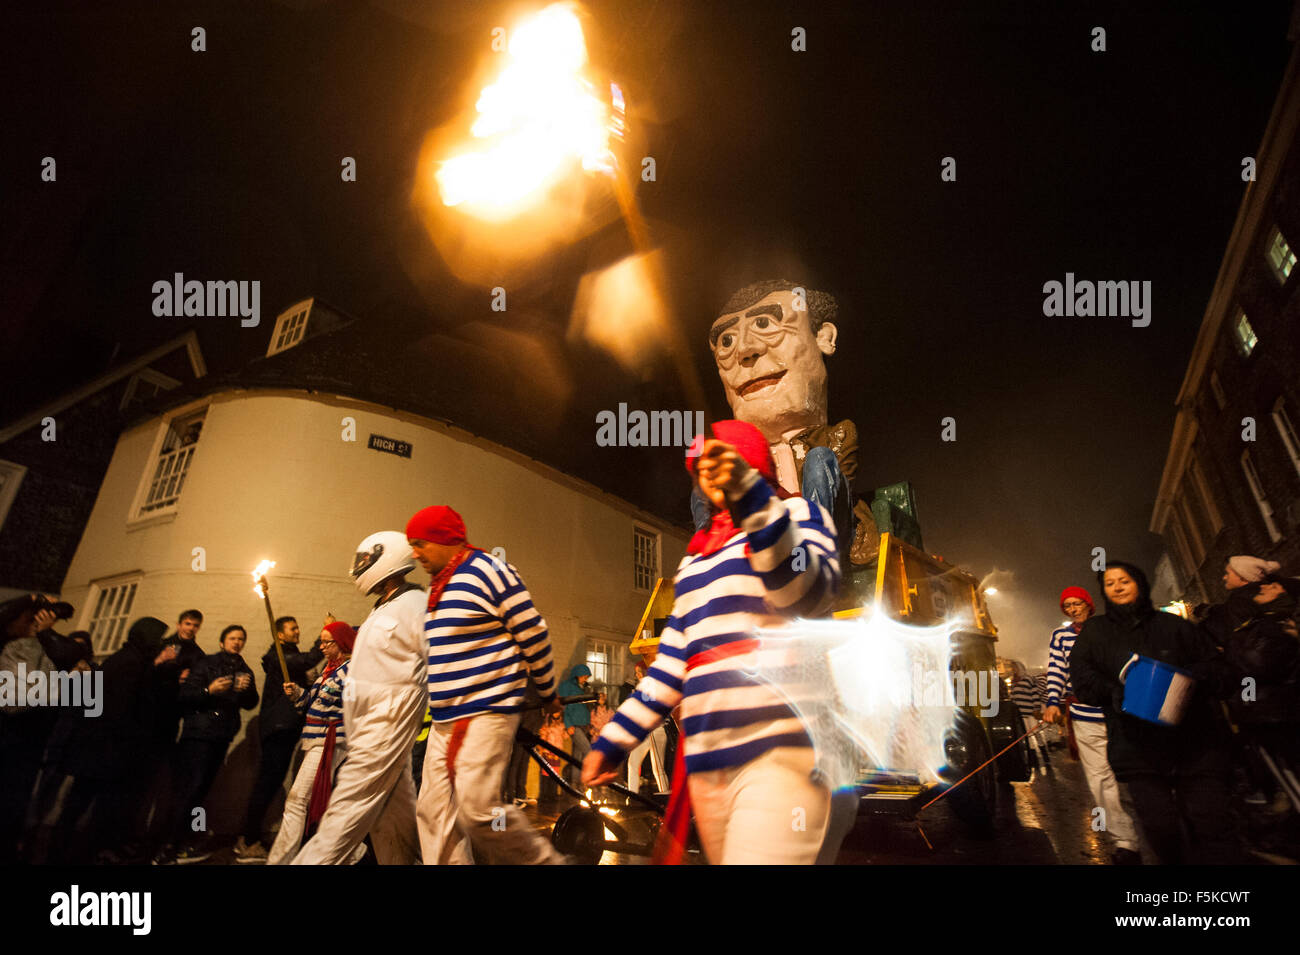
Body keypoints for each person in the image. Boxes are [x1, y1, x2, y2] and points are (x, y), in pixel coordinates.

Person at [583, 420, 842, 864]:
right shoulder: (694, 563)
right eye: (701, 467)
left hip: (780, 753)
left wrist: (754, 500)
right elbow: (669, 669)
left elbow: (803, 592)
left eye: (722, 463)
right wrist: (613, 740)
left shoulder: (797, 517)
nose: (710, 475)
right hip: (708, 768)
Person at [408, 504, 567, 865]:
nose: (414, 553)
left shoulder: (490, 570)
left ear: (444, 540)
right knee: (432, 813)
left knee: (479, 812)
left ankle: (543, 862)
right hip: (445, 719)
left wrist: (547, 692)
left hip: (486, 711)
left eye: (420, 544)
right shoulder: (439, 588)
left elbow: (533, 633)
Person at [1071, 561, 1238, 865]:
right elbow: (1083, 681)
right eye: (1110, 583)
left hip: (1194, 743)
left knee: (1212, 823)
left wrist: (1186, 680)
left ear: (1139, 583)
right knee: (1161, 827)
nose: (1118, 587)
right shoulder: (1096, 632)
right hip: (1137, 747)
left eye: (1124, 580)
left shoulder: (1174, 626)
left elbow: (1220, 671)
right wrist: (1119, 691)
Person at [292, 531, 427, 865]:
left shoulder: (414, 605)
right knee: (392, 829)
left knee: (337, 827)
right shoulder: (385, 608)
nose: (359, 569)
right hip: (372, 734)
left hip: (385, 732)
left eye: (365, 561)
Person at [700, 281, 857, 567]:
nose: (744, 350)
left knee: (820, 459)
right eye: (726, 342)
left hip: (825, 543)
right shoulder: (738, 461)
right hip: (761, 544)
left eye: (765, 323)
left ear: (824, 337)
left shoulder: (836, 438)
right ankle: (714, 558)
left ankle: (814, 550)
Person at [48, 617, 171, 864]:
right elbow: (123, 710)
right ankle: (70, 854)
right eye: (156, 638)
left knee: (81, 804)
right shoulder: (131, 663)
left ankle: (64, 851)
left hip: (101, 749)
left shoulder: (128, 659)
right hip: (107, 750)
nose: (159, 643)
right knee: (91, 806)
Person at [1043, 585, 1140, 863]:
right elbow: (1056, 670)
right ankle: (1125, 840)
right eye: (1067, 606)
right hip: (1085, 715)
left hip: (1121, 712)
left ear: (1088, 604)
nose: (1073, 609)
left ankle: (1161, 824)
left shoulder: (1108, 627)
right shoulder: (1060, 636)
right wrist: (1052, 701)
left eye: (1077, 604)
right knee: (1099, 778)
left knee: (1135, 771)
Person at [155, 624, 258, 864]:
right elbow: (185, 696)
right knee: (187, 790)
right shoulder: (207, 663)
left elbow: (251, 703)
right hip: (198, 736)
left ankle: (188, 838)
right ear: (222, 642)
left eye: (241, 639)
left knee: (201, 792)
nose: (237, 642)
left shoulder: (244, 670)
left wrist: (245, 692)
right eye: (232, 638)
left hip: (220, 737)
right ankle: (169, 846)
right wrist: (208, 690)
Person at [1204, 559, 1300, 813]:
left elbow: (1252, 662)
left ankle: (1273, 793)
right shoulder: (1272, 615)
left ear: (1244, 578)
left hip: (1269, 704)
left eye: (1228, 573)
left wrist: (1228, 650)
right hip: (1274, 701)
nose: (1224, 577)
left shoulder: (1253, 612)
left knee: (1285, 762)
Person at [234, 614, 324, 863]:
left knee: (270, 783)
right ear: (280, 634)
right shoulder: (279, 655)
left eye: (297, 627)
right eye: (292, 628)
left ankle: (249, 838)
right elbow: (308, 658)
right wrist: (324, 636)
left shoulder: (287, 657)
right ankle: (248, 841)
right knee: (266, 783)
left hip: (285, 727)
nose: (297, 631)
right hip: (278, 727)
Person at [269, 621, 357, 865]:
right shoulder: (329, 669)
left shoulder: (353, 671)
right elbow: (312, 704)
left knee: (297, 800)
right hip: (315, 741)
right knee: (325, 802)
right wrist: (298, 694)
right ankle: (352, 852)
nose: (321, 647)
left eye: (326, 642)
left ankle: (279, 860)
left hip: (329, 742)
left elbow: (354, 707)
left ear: (340, 644)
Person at [0, 595, 64, 863]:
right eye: (29, 619)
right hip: (11, 746)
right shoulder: (17, 648)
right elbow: (12, 702)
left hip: (26, 748)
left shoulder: (39, 647)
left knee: (14, 810)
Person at [1008, 660, 1049, 775]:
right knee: (1028, 736)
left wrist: (1036, 708)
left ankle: (1046, 758)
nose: (1013, 670)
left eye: (1014, 667)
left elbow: (1035, 694)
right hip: (1021, 713)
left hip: (1031, 712)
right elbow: (1012, 697)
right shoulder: (1013, 681)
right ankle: (1033, 761)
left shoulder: (1028, 679)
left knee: (1036, 734)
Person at [559, 664, 593, 786]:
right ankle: (586, 781)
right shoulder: (567, 687)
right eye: (584, 677)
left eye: (586, 677)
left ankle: (575, 783)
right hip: (574, 725)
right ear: (577, 676)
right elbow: (564, 706)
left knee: (577, 756)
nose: (585, 679)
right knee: (588, 750)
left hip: (583, 724)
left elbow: (585, 707)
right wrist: (568, 724)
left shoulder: (582, 688)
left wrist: (589, 724)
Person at [537, 710, 568, 806]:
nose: (556, 713)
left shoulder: (562, 724)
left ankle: (552, 794)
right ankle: (544, 795)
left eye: (558, 711)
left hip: (557, 752)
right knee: (546, 774)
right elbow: (542, 734)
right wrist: (541, 748)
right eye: (555, 711)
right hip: (548, 751)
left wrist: (568, 732)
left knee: (555, 774)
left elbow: (565, 736)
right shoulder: (547, 723)